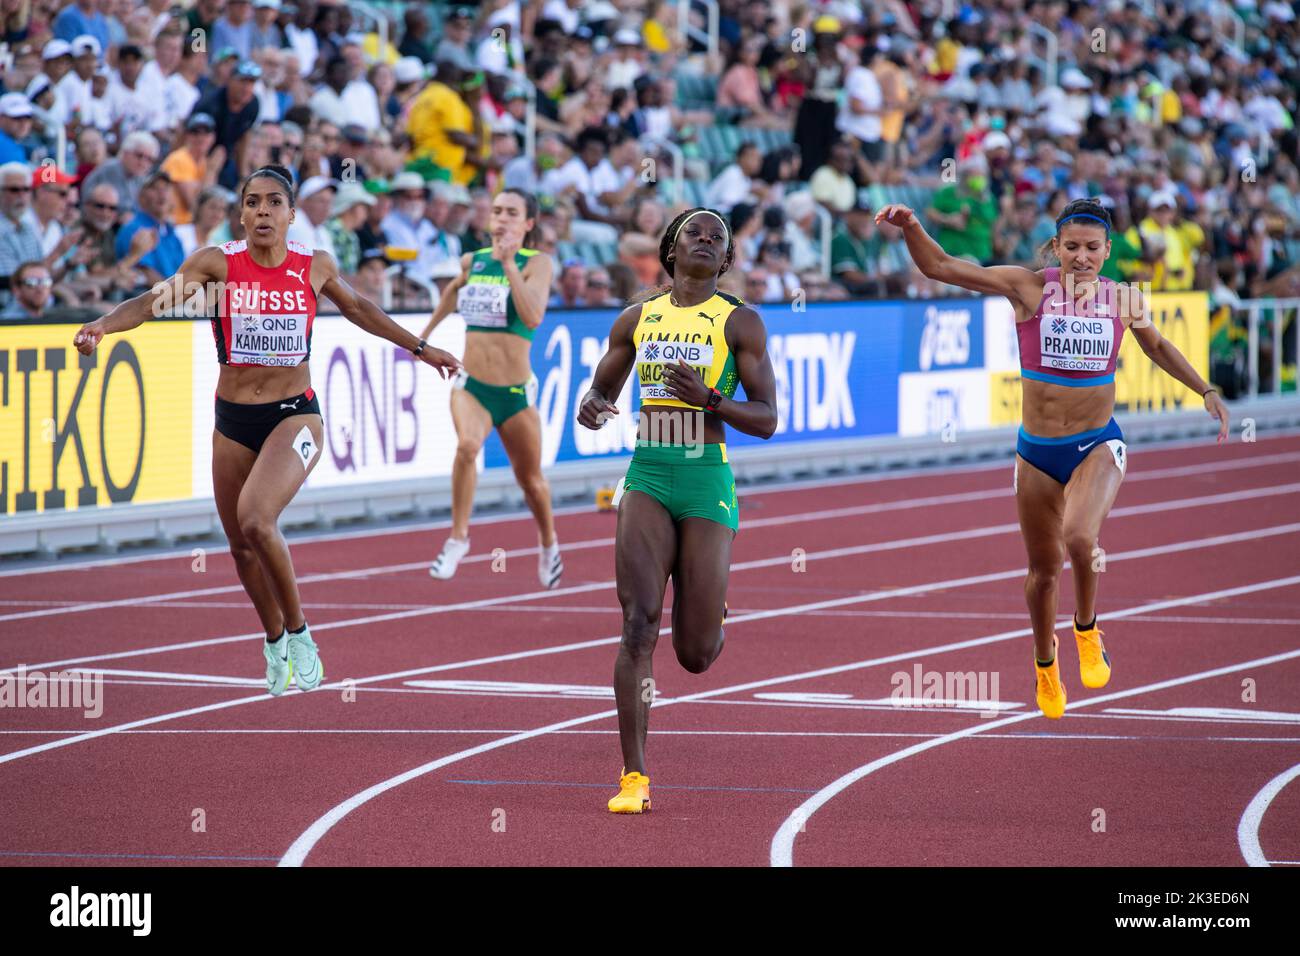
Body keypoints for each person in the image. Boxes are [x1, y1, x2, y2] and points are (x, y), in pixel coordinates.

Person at [73, 163, 461, 696]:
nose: (262, 211)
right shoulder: (216, 264)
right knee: (239, 546)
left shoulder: (313, 265)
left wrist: (420, 347)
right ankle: (274, 638)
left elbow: (361, 308)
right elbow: (151, 302)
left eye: (273, 203)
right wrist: (102, 326)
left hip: (294, 416)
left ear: (291, 214)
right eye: (252, 202)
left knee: (257, 519)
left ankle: (301, 634)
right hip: (232, 421)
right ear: (240, 213)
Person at [876, 197, 1230, 720]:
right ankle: (1046, 665)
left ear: (1108, 251)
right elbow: (942, 266)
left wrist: (1205, 389)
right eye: (1071, 248)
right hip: (1036, 453)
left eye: (1091, 248)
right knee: (1043, 574)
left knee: (1081, 539)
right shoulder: (1029, 288)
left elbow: (1156, 347)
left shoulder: (1124, 300)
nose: (1080, 258)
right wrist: (911, 226)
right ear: (1056, 248)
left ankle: (1087, 629)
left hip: (1097, 444)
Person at [577, 207, 778, 813]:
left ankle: (710, 607)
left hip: (704, 477)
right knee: (638, 625)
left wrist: (710, 397)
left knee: (694, 654)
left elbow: (767, 420)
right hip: (648, 472)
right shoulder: (638, 317)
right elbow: (599, 390)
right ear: (671, 249)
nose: (707, 240)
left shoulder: (740, 323)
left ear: (725, 262)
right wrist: (591, 405)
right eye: (696, 231)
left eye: (718, 238)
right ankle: (633, 777)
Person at [418, 189, 563, 589]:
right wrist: (424, 337)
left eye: (512, 213)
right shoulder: (473, 261)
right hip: (473, 386)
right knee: (467, 447)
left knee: (530, 480)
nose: (501, 219)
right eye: (496, 211)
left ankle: (548, 542)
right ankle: (458, 537)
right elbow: (453, 289)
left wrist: (509, 266)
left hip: (515, 395)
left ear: (529, 223)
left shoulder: (539, 263)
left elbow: (533, 316)